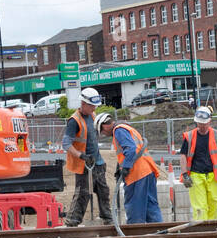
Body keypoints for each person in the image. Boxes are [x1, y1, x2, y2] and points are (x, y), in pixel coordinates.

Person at [95, 113, 163, 224]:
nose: (103, 134)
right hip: (147, 171)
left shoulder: (118, 130)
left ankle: (134, 237)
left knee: (135, 209)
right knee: (151, 209)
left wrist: (126, 167)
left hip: (137, 174)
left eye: (101, 131)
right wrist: (120, 167)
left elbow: (131, 149)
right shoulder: (126, 128)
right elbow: (129, 150)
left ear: (105, 125)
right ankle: (160, 236)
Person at [61, 88, 113, 227]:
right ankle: (73, 221)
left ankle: (107, 218)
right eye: (91, 105)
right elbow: (66, 143)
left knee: (103, 190)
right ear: (83, 103)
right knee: (82, 193)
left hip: (97, 161)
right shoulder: (74, 121)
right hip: (83, 163)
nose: (94, 108)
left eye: (95, 105)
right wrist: (81, 156)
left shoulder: (93, 115)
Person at [180, 106, 217, 222]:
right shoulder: (190, 136)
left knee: (214, 205)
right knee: (200, 208)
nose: (202, 126)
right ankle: (201, 233)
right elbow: (183, 156)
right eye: (199, 124)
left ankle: (213, 232)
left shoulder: (216, 135)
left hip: (213, 176)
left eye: (204, 124)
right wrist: (184, 174)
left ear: (209, 121)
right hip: (196, 176)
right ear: (196, 122)